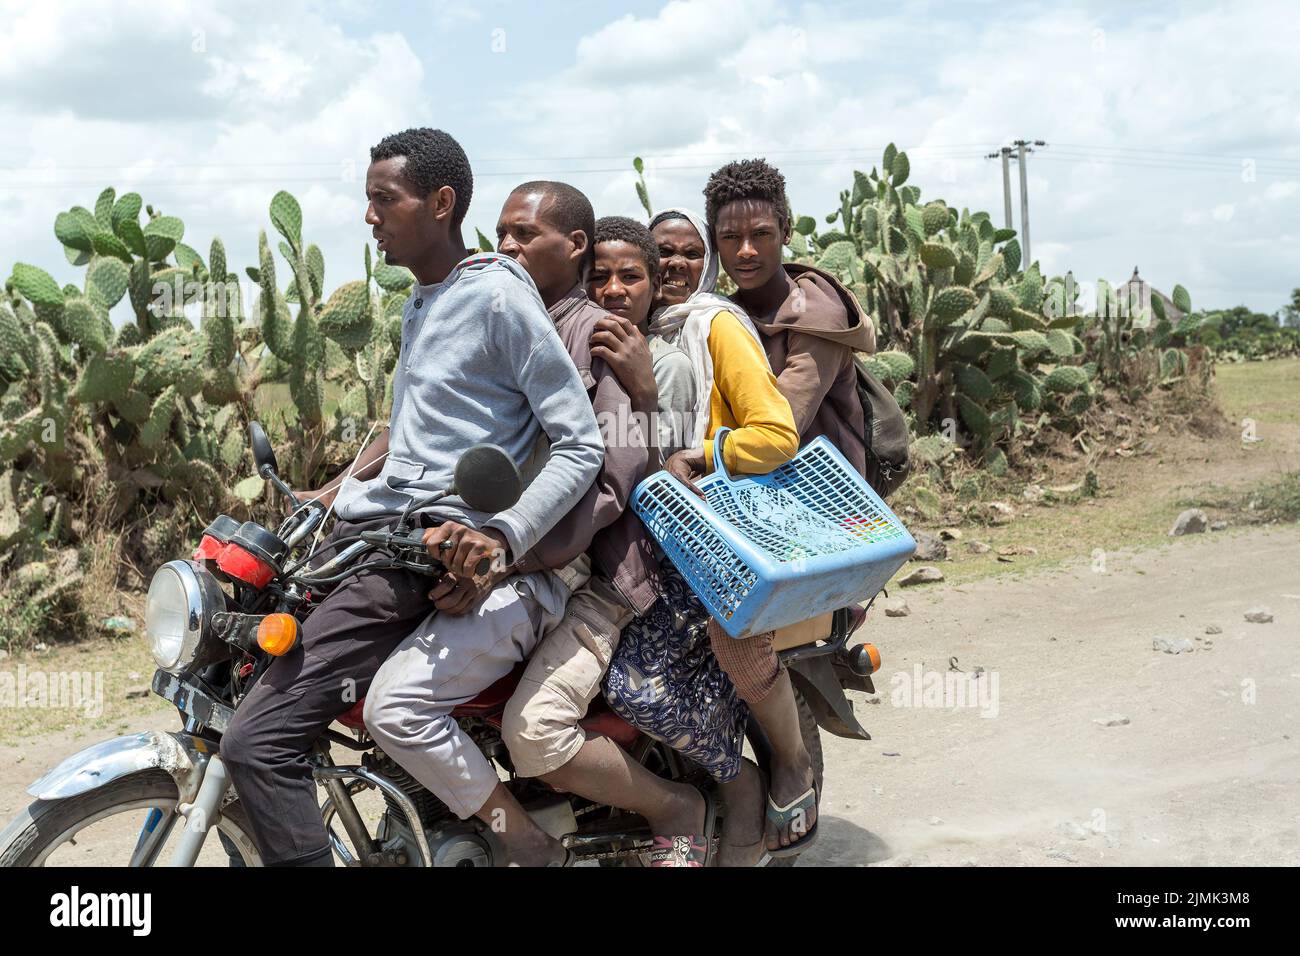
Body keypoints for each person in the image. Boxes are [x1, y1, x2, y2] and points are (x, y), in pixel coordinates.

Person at [219, 128, 604, 867]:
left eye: (382, 200)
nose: (370, 217)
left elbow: (581, 442)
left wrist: (501, 538)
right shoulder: (424, 303)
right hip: (368, 533)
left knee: (258, 742)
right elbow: (411, 433)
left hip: (414, 552)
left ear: (441, 203)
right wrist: (329, 496)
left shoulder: (494, 295)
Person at [469, 186, 720, 867]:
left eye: (630, 276)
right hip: (549, 551)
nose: (612, 290)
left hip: (605, 570)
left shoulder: (653, 361)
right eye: (600, 277)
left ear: (653, 285)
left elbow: (659, 469)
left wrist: (641, 391)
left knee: (536, 729)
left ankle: (674, 807)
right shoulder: (552, 337)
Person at [597, 214, 800, 866]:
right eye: (668, 254)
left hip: (707, 534)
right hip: (649, 534)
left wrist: (707, 454)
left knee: (637, 686)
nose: (679, 266)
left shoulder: (709, 328)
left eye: (689, 255)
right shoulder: (635, 336)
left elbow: (774, 435)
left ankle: (748, 781)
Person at [702, 157, 877, 857]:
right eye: (730, 237)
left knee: (739, 631)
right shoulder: (720, 310)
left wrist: (691, 451)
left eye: (761, 235)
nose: (745, 251)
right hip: (740, 496)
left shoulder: (817, 313)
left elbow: (783, 420)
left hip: (812, 509)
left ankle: (789, 764)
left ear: (787, 231)